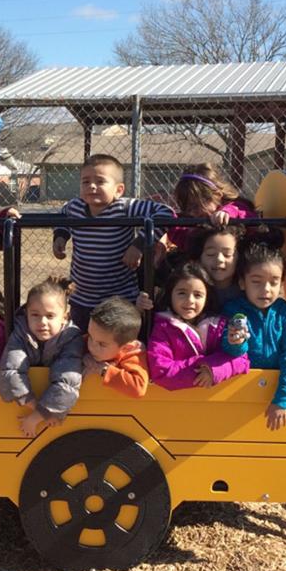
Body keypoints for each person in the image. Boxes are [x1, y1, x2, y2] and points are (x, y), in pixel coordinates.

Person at [52, 154, 174, 330]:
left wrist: (138, 245)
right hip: (81, 298)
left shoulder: (125, 207)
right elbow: (62, 216)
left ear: (119, 190)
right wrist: (60, 236)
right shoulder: (74, 207)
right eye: (85, 182)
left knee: (115, 341)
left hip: (119, 298)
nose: (91, 186)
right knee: (82, 341)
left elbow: (166, 213)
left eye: (100, 181)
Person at [222, 243, 286, 431]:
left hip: (274, 395)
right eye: (256, 282)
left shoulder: (285, 314)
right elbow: (226, 350)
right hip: (236, 392)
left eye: (274, 282)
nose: (266, 289)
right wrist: (236, 343)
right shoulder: (232, 310)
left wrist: (282, 399)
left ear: (282, 283)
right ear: (242, 282)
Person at [0, 277, 85, 436]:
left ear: (65, 317)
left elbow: (67, 382)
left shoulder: (71, 339)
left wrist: (38, 416)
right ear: (27, 314)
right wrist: (37, 407)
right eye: (35, 315)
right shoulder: (21, 333)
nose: (42, 322)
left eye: (50, 316)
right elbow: (10, 371)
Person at [147, 260, 249, 390]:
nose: (190, 300)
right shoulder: (163, 328)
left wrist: (213, 370)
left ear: (207, 297)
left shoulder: (219, 326)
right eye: (182, 293)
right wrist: (203, 367)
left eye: (197, 295)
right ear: (170, 294)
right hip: (175, 401)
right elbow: (161, 371)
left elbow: (241, 360)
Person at [166, 163, 257, 254]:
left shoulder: (237, 207)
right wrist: (169, 220)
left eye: (196, 206)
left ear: (217, 195)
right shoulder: (193, 222)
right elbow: (182, 239)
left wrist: (226, 213)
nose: (193, 213)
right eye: (188, 209)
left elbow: (244, 214)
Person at [82, 296, 149, 397]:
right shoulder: (87, 340)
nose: (92, 346)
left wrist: (103, 370)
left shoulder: (132, 354)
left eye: (102, 344)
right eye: (90, 336)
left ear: (126, 347)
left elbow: (138, 387)